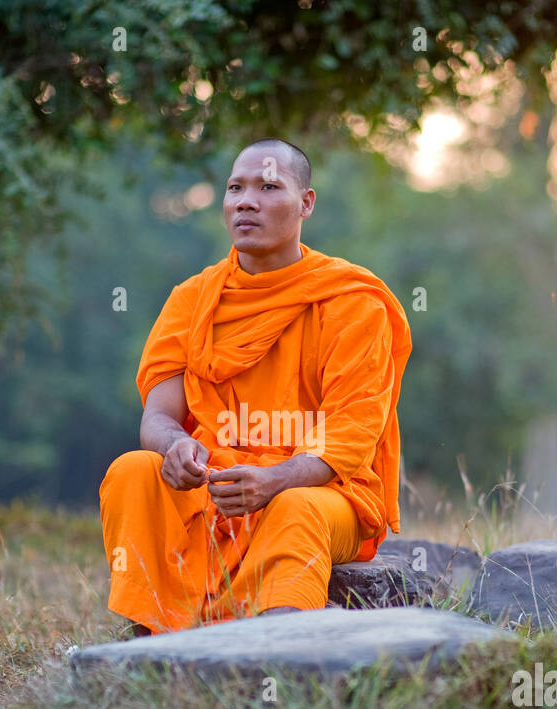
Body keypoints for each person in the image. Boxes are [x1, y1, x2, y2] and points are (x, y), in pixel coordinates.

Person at [99, 138, 412, 634]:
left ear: (306, 203)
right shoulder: (193, 299)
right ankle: (155, 637)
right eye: (235, 188)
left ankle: (274, 649)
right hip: (218, 486)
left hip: (324, 493)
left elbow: (352, 435)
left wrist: (275, 479)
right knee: (135, 471)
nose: (246, 201)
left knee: (296, 506)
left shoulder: (352, 302)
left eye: (269, 187)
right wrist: (178, 446)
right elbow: (158, 415)